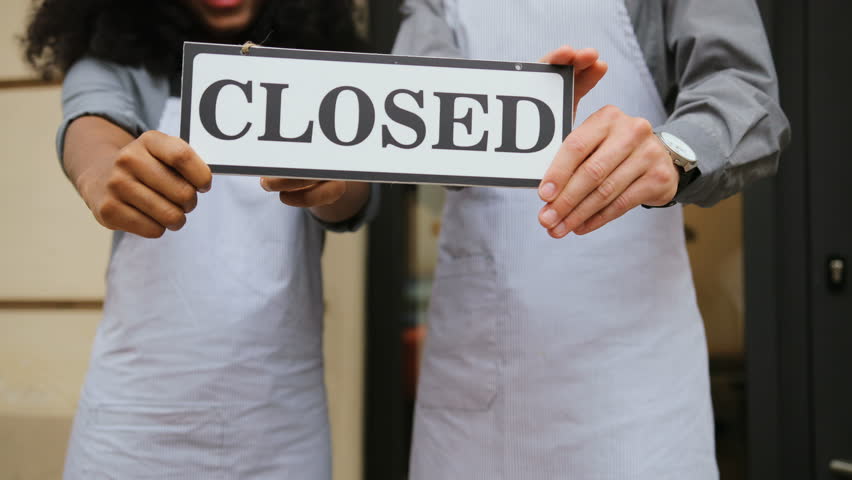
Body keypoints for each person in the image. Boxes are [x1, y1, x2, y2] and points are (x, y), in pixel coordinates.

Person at [393, 0, 790, 478]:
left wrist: (673, 154)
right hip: (474, 382)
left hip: (635, 391)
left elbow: (745, 92)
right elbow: (411, 96)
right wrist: (501, 109)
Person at [24, 1, 374, 478]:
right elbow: (91, 126)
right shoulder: (112, 67)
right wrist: (102, 173)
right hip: (132, 429)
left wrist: (336, 182)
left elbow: (354, 197)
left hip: (282, 429)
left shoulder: (323, 76)